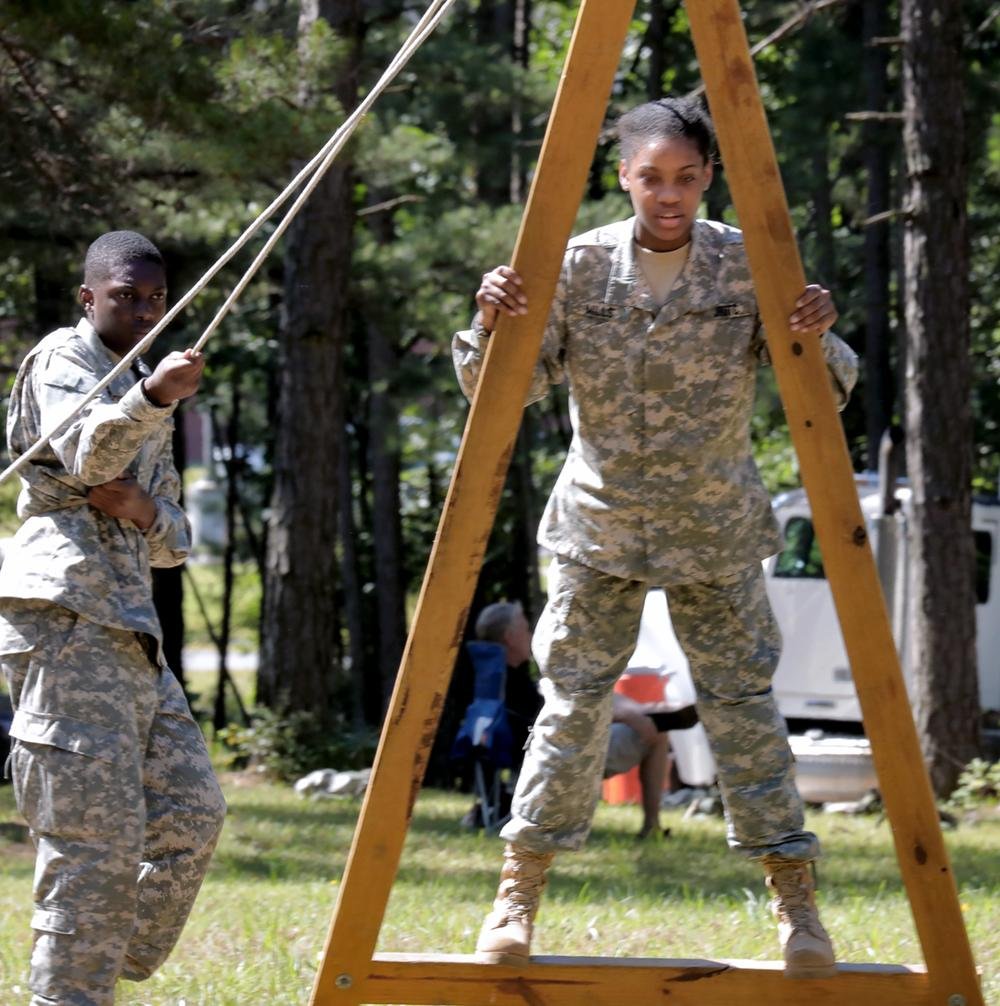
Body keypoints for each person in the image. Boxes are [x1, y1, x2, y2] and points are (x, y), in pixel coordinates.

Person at [452, 97, 858, 979]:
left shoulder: (749, 265)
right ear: (625, 177)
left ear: (707, 176)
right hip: (600, 525)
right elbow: (499, 394)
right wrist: (487, 324)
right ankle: (517, 893)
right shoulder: (575, 267)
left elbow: (826, 393)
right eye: (649, 178)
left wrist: (818, 335)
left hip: (713, 527)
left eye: (684, 178)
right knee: (569, 710)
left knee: (746, 713)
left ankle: (797, 908)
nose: (666, 195)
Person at [0, 230, 227, 1006]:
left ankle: (98, 957)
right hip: (65, 618)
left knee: (194, 814)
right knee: (90, 853)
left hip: (130, 631)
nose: (143, 310)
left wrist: (148, 510)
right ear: (88, 297)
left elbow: (173, 544)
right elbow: (90, 459)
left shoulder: (140, 374)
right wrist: (154, 398)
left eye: (155, 299)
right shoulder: (67, 360)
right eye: (125, 296)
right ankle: (73, 983)